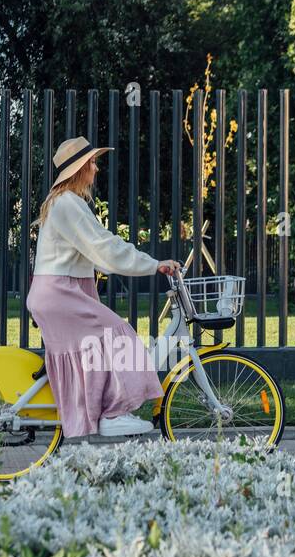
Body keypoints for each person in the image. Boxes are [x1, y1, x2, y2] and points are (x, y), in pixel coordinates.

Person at [26, 136, 180, 438]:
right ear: (79, 169)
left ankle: (103, 412)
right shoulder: (67, 204)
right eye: (92, 163)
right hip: (60, 292)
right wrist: (153, 264)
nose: (96, 169)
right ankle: (112, 413)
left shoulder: (67, 203)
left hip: (60, 291)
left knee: (99, 347)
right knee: (119, 335)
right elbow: (104, 247)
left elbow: (98, 247)